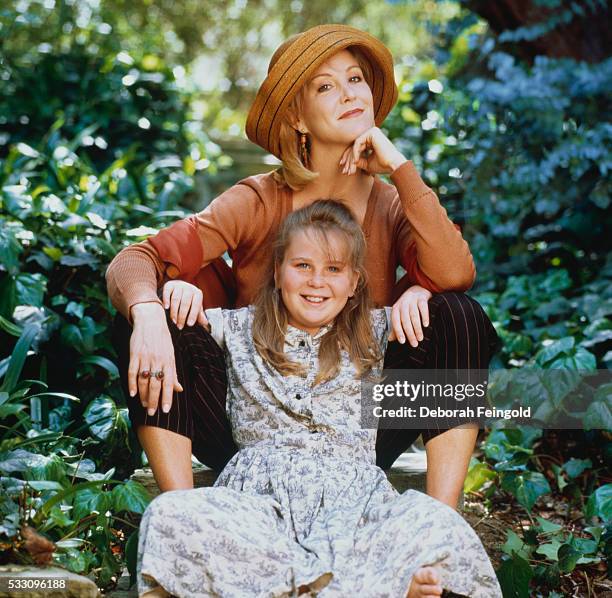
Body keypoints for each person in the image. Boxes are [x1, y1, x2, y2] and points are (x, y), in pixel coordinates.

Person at [107, 24, 499, 508]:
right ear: (297, 115)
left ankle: (443, 521)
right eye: (325, 86)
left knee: (457, 313)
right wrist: (147, 313)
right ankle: (183, 517)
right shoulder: (256, 200)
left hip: (358, 431)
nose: (350, 94)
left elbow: (456, 273)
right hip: (251, 432)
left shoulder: (392, 204)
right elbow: (137, 260)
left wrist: (402, 178)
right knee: (153, 317)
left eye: (355, 79)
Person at [137, 200, 502, 598]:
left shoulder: (378, 331)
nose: (316, 281)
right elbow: (183, 332)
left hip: (356, 501)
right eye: (302, 266)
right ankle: (374, 585)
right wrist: (173, 292)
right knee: (168, 514)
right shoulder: (238, 327)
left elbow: (448, 303)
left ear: (354, 282)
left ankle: (311, 586)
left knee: (428, 525)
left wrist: (421, 289)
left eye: (333, 269)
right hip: (258, 503)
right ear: (277, 272)